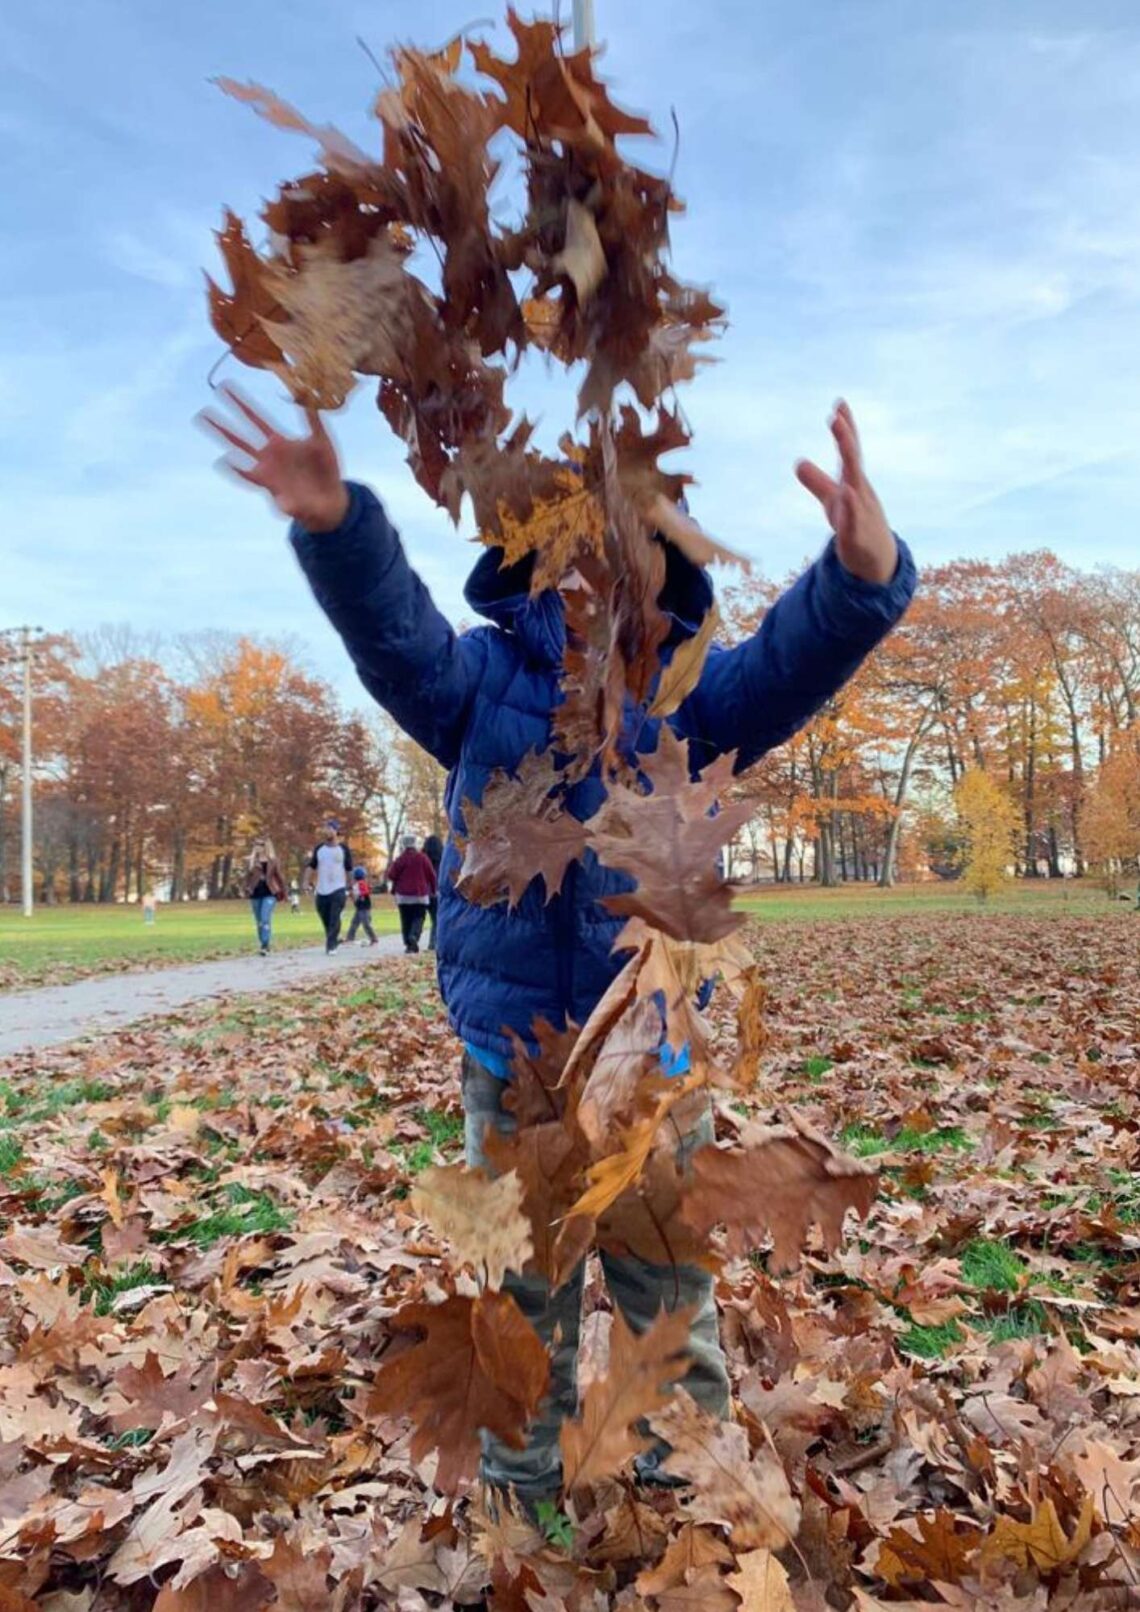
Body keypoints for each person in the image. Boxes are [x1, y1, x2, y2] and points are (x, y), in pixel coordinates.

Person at [203, 390, 916, 1507]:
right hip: (514, 1055)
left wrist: (861, 580)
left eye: (618, 553)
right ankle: (520, 1512)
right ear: (526, 564)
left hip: (655, 1061)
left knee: (668, 1299)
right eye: (565, 555)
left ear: (657, 568)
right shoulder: (479, 683)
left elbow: (785, 665)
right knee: (521, 1306)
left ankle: (691, 1502)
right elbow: (396, 640)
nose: (590, 579)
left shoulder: (691, 695)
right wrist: (341, 528)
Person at [304, 819, 352, 953]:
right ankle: (333, 939)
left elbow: (349, 869)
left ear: (336, 831)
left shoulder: (343, 849)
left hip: (338, 888)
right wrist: (305, 882)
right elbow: (311, 866)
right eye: (325, 829)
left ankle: (330, 946)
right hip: (322, 889)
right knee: (324, 916)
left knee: (334, 917)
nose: (327, 831)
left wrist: (351, 887)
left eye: (330, 828)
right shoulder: (319, 848)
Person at [385, 835, 437, 954]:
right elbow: (431, 875)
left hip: (403, 896)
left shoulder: (400, 859)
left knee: (405, 920)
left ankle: (409, 945)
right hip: (420, 895)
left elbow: (391, 875)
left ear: (403, 844)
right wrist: (433, 890)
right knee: (419, 917)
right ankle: (414, 935)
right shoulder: (423, 858)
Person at [244, 835, 287, 954]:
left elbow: (279, 877)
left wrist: (284, 892)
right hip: (255, 893)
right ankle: (263, 943)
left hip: (270, 892)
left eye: (260, 845)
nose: (257, 847)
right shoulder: (251, 861)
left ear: (266, 846)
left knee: (265, 918)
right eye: (255, 844)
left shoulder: (273, 861)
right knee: (259, 921)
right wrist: (247, 889)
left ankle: (265, 944)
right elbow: (247, 878)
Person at [347, 863, 380, 946]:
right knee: (354, 922)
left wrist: (352, 894)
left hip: (364, 907)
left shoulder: (360, 884)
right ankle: (349, 938)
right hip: (360, 907)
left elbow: (363, 893)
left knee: (366, 923)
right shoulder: (359, 884)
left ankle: (374, 938)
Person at [422, 833, 443, 951]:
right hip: (436, 893)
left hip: (424, 893)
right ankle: (433, 942)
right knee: (436, 920)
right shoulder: (442, 860)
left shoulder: (422, 859)